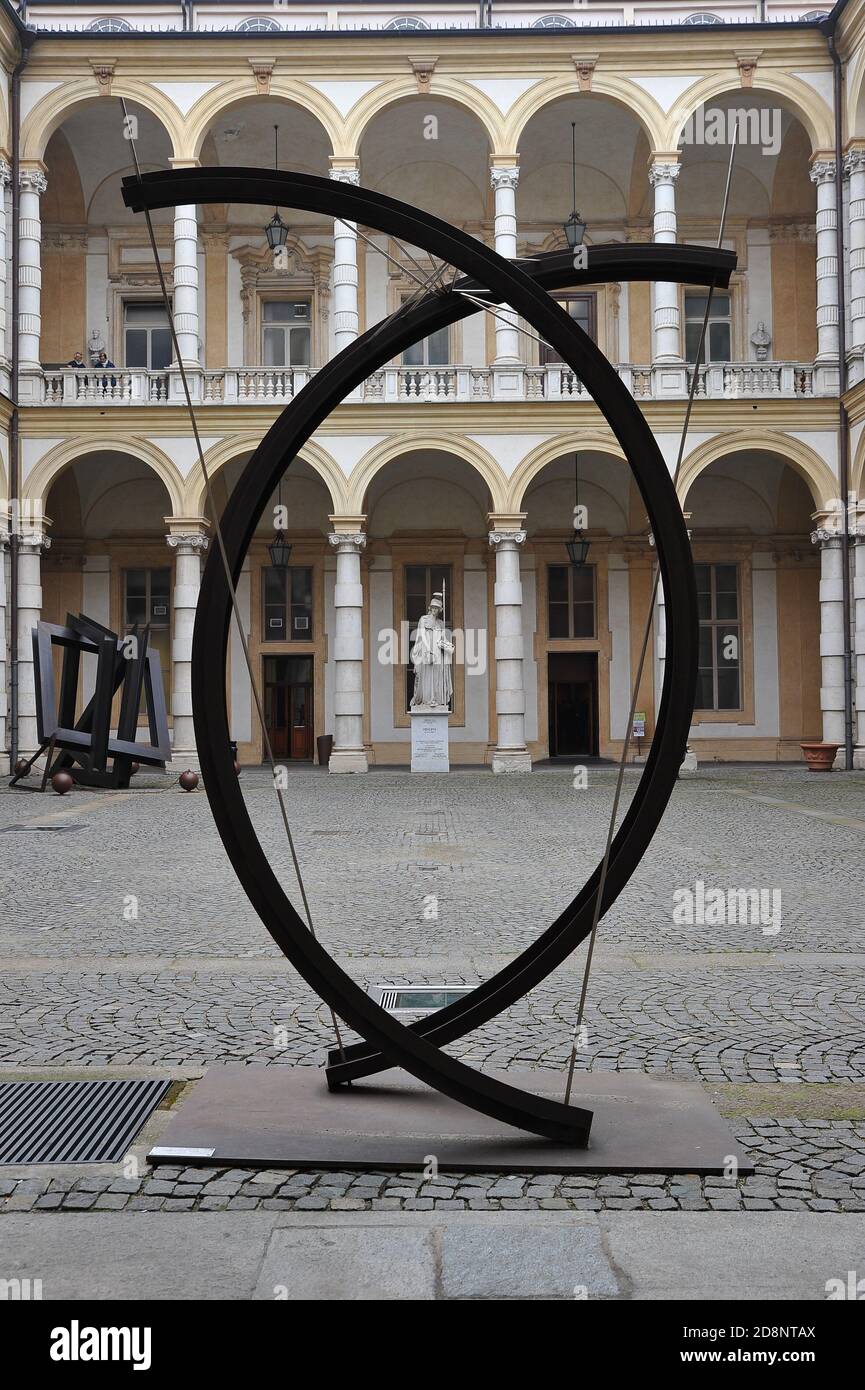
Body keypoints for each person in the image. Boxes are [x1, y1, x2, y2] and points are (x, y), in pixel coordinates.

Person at [410, 591, 454, 710]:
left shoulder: (440, 623)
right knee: (427, 675)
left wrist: (448, 645)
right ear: (430, 608)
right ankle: (426, 699)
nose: (435, 610)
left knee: (437, 675)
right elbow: (422, 635)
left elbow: (443, 638)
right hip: (427, 650)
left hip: (438, 651)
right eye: (433, 607)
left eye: (437, 608)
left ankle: (436, 699)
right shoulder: (423, 619)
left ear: (440, 610)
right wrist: (429, 649)